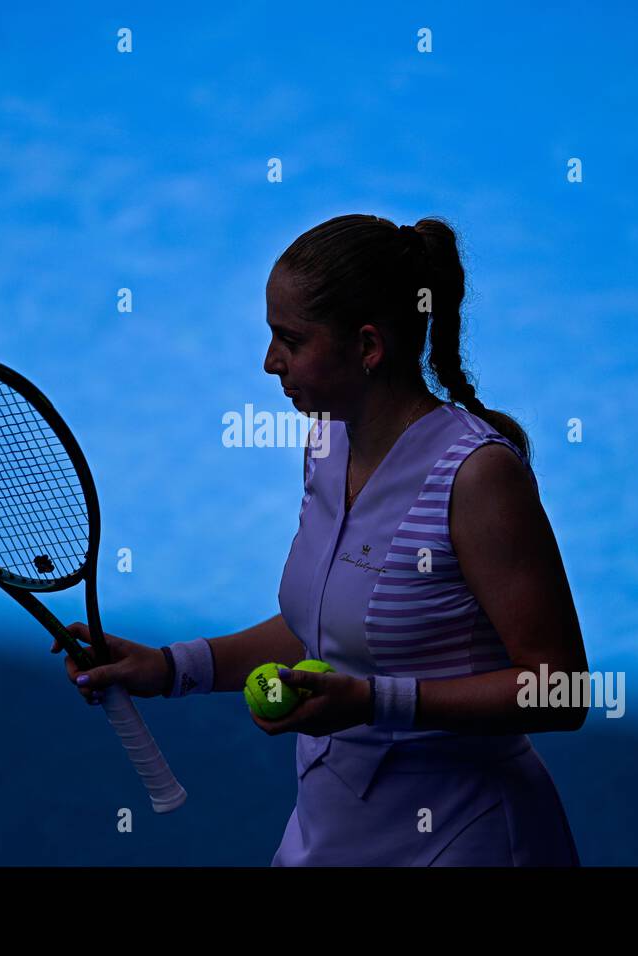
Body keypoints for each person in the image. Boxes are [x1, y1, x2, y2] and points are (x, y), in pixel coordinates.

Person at [60, 214, 587, 865]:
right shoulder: (327, 441)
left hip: (460, 837)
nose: (269, 362)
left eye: (290, 339)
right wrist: (171, 667)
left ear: (367, 346)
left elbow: (561, 690)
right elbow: (324, 628)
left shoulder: (478, 477)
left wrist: (371, 700)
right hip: (330, 832)